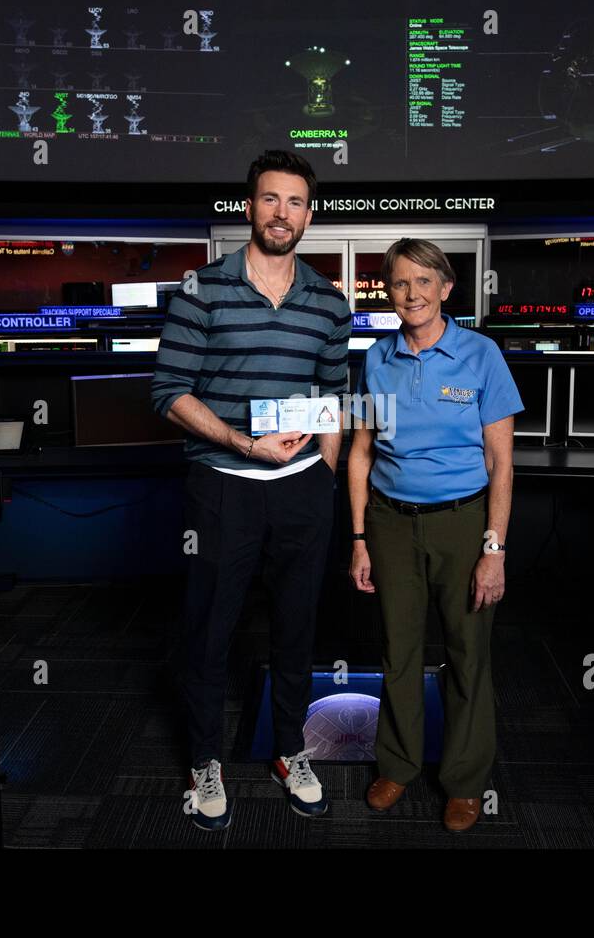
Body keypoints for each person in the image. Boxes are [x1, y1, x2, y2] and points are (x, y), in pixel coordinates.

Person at [151, 150, 351, 831]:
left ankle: (290, 750)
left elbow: (334, 395)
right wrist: (240, 443)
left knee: (296, 626)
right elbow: (168, 392)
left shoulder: (328, 302)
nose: (281, 213)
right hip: (223, 485)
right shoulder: (201, 290)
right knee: (210, 629)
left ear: (309, 214)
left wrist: (324, 473)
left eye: (295, 202)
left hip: (302, 491)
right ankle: (205, 759)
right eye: (270, 199)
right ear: (249, 206)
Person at [347, 238, 522, 833]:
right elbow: (361, 452)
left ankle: (465, 782)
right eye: (399, 283)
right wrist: (359, 537)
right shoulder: (377, 357)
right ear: (388, 292)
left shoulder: (481, 355)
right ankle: (397, 766)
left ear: (447, 289)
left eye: (424, 282)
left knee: (467, 654)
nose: (411, 294)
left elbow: (502, 462)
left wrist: (492, 550)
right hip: (391, 523)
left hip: (463, 523)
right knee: (398, 653)